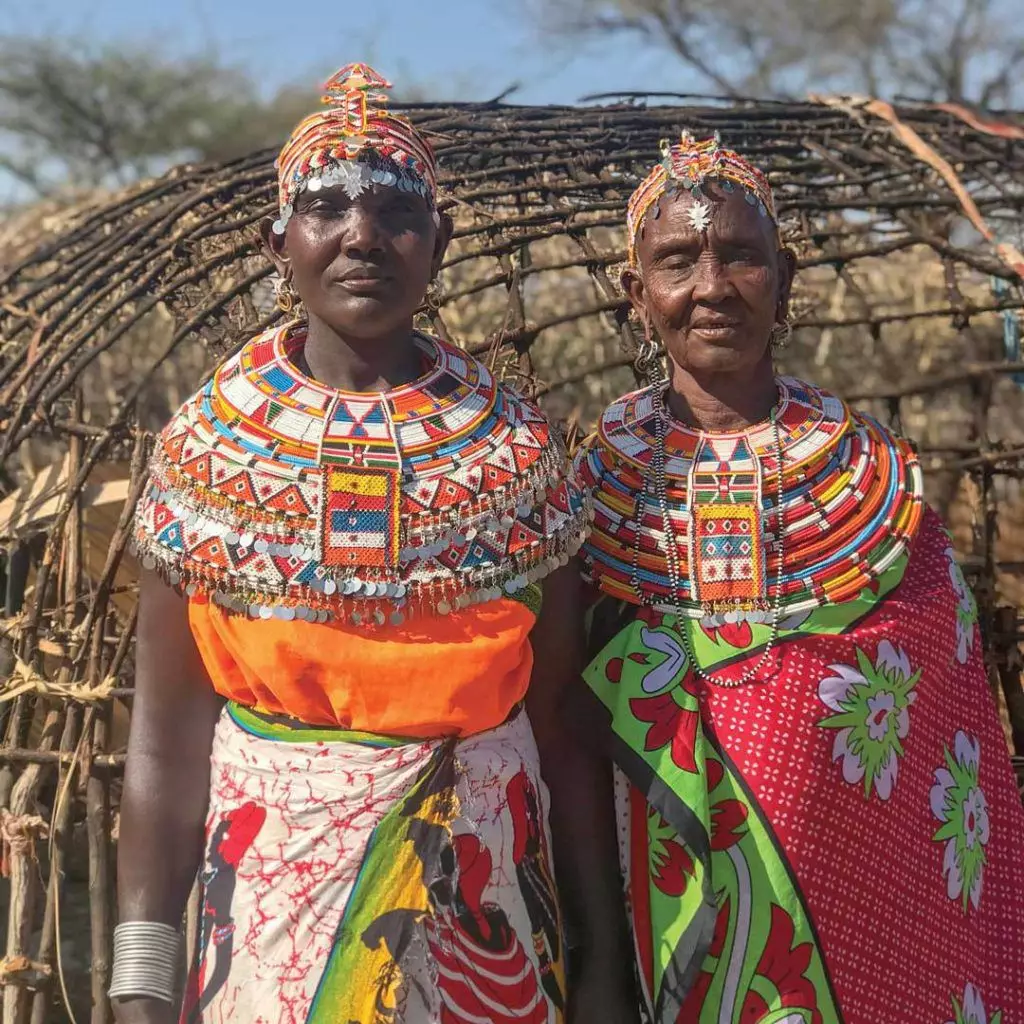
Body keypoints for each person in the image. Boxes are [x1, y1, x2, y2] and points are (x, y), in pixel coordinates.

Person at [113, 63, 635, 1024]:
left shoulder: (513, 452)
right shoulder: (209, 449)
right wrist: (141, 974)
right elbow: (165, 742)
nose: (362, 235)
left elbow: (562, 731)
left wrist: (603, 965)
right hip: (267, 934)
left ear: (439, 241)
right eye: (324, 208)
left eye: (396, 211)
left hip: (487, 928)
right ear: (281, 241)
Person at [574, 132, 1024, 1023]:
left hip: (864, 881)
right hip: (659, 881)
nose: (712, 287)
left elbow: (944, 710)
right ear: (637, 295)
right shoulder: (588, 491)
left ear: (782, 277)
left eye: (741, 255)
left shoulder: (871, 476)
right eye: (677, 262)